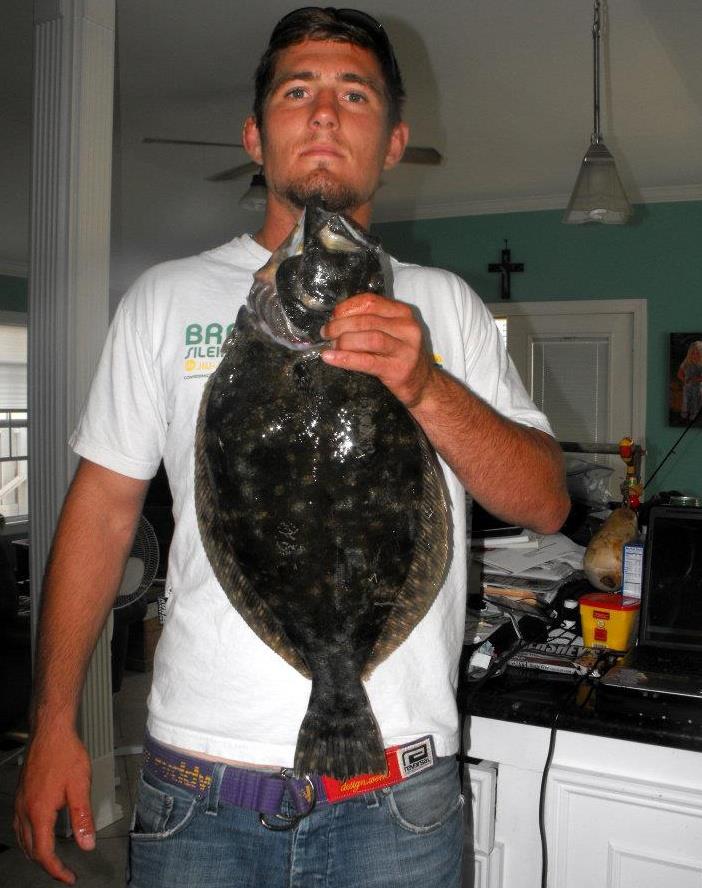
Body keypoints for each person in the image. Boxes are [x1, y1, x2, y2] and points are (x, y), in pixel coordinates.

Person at [14, 8, 570, 887]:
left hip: (399, 787)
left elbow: (543, 503)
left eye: (354, 94)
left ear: (393, 141)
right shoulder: (164, 299)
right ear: (255, 134)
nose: (322, 112)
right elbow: (102, 511)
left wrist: (425, 382)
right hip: (198, 780)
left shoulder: (446, 305)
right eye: (296, 91)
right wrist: (51, 722)